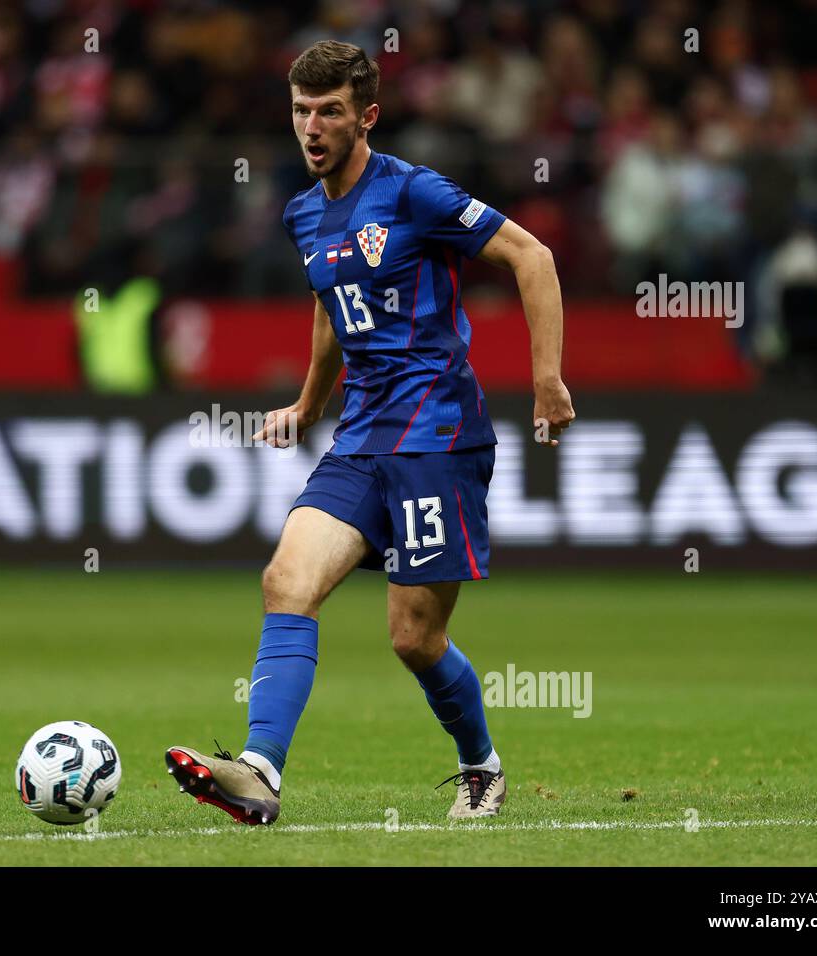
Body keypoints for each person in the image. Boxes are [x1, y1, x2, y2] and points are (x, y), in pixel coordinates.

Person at [165, 41, 575, 824]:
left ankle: (480, 767)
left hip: (437, 436)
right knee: (287, 581)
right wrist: (311, 402)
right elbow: (329, 303)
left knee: (413, 639)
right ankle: (259, 771)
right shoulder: (301, 212)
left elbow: (533, 257)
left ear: (367, 117)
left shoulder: (416, 194)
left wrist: (546, 378)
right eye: (300, 111)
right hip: (360, 437)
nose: (311, 127)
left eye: (329, 112)